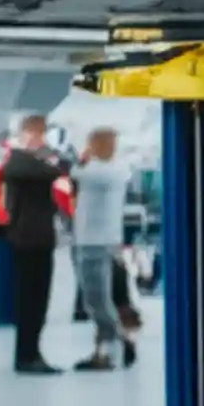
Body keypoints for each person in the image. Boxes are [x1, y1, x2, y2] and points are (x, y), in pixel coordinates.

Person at [2, 114, 69, 375]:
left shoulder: (28, 162)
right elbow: (54, 171)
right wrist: (41, 151)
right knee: (32, 300)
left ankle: (31, 352)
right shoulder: (20, 162)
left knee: (37, 300)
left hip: (36, 238)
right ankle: (27, 355)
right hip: (30, 239)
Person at [69, 128, 137, 371]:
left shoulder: (98, 171)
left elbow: (75, 172)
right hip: (103, 240)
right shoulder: (118, 170)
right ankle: (105, 350)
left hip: (92, 242)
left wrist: (82, 156)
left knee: (95, 300)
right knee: (100, 297)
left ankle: (117, 341)